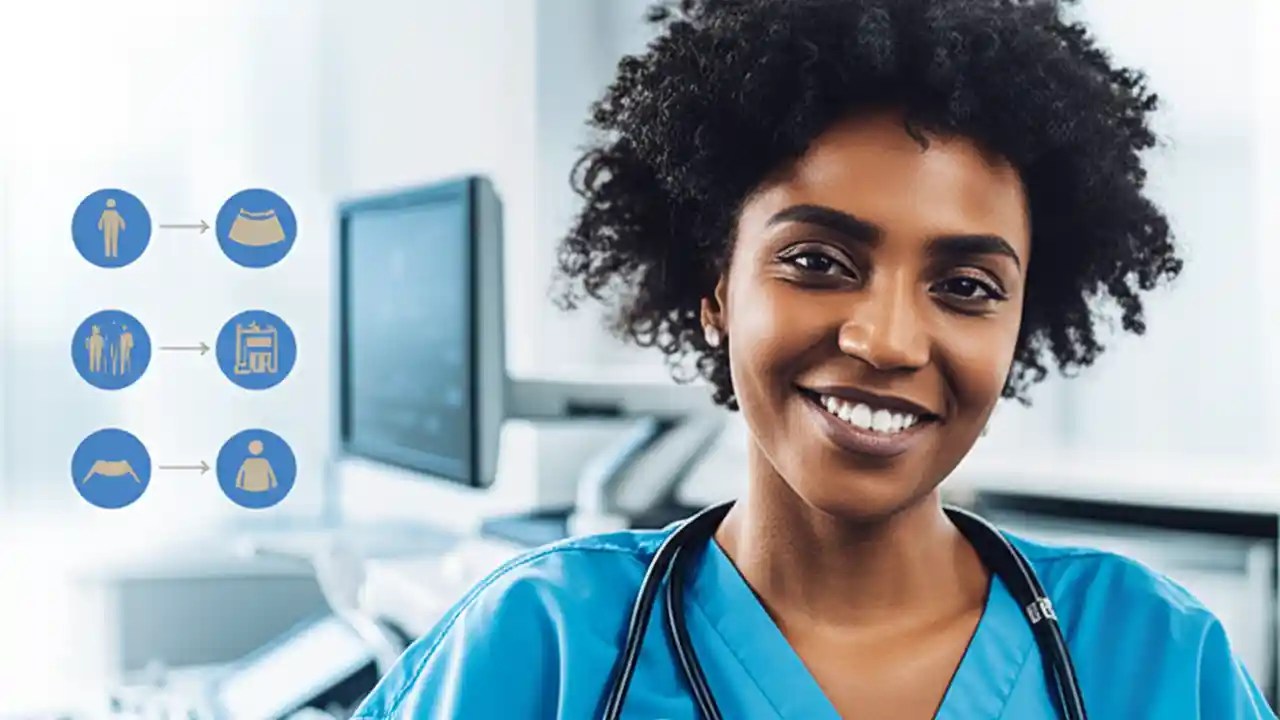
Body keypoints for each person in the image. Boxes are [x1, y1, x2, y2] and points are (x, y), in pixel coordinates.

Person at [353, 0, 1275, 717]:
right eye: (818, 262)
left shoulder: (1151, 657)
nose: (887, 340)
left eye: (965, 287)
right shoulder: (537, 646)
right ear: (716, 285)